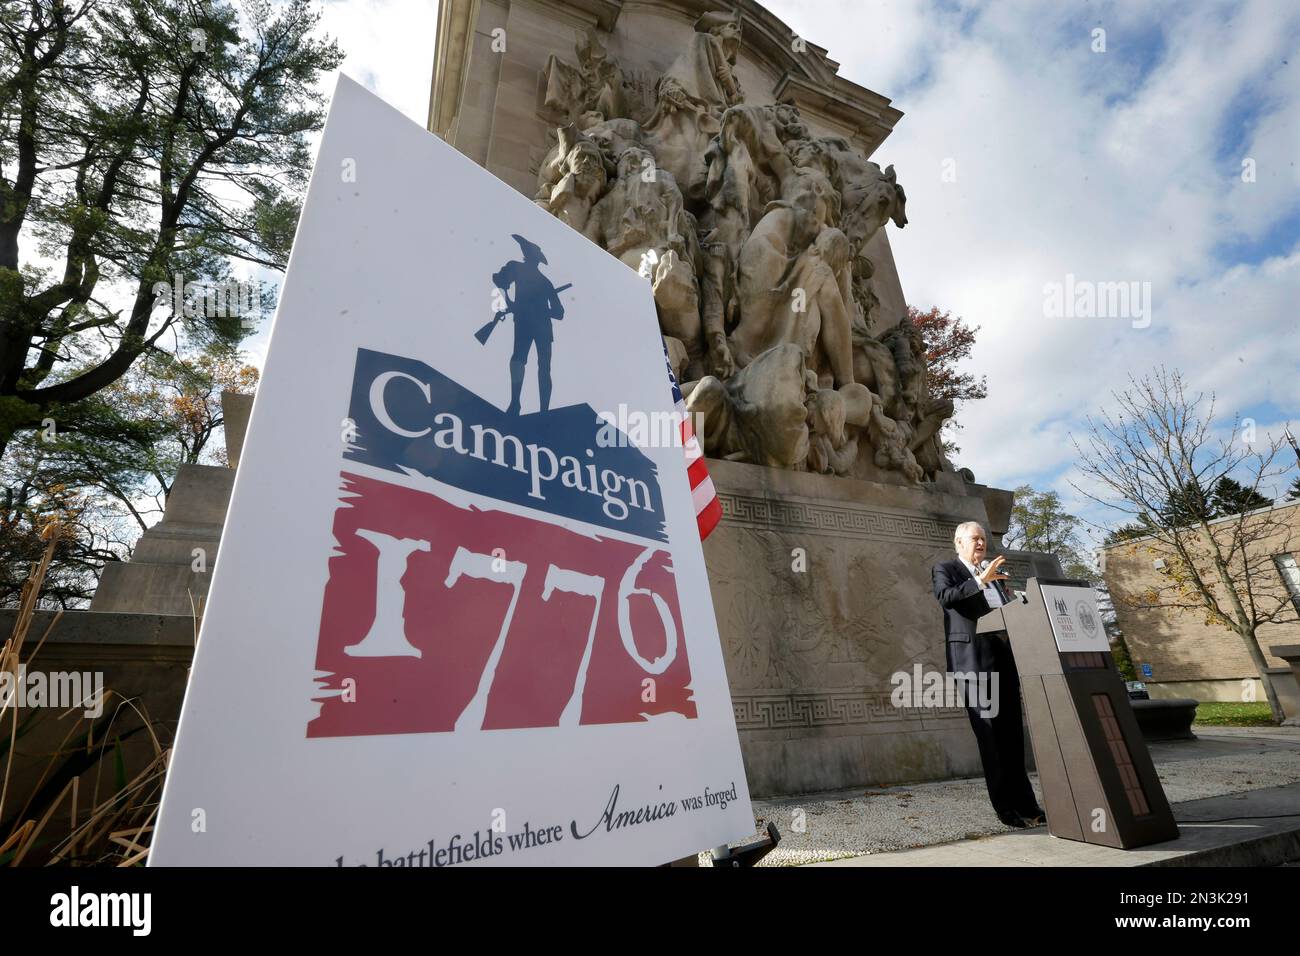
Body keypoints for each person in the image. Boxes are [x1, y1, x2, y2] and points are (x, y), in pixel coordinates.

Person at [932, 521, 1045, 828]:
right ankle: (1005, 808)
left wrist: (1019, 601)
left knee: (1011, 735)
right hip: (972, 664)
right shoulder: (947, 569)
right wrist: (980, 580)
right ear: (959, 542)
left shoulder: (994, 577)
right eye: (975, 538)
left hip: (1004, 660)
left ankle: (1028, 804)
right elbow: (945, 598)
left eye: (983, 538)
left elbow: (1002, 613)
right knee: (991, 737)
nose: (981, 543)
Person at [491, 234, 565, 415]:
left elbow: (559, 312)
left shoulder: (546, 282)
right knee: (518, 360)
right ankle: (515, 403)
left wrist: (540, 310)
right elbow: (499, 280)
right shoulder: (515, 267)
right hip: (524, 322)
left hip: (541, 326)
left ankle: (544, 411)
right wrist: (509, 301)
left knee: (543, 367)